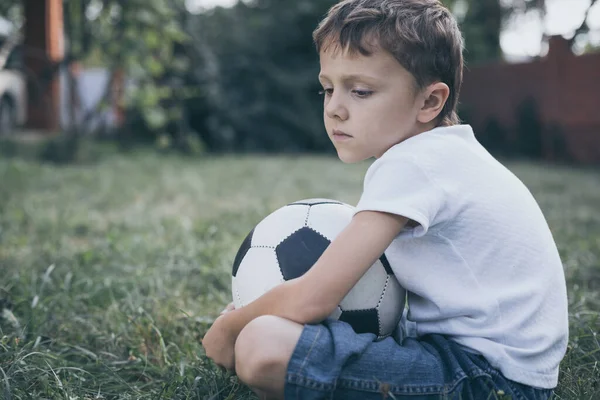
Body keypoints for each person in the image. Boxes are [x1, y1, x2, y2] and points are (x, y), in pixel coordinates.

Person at [201, 0, 569, 399]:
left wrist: (230, 328)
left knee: (263, 345)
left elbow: (313, 298)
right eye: (327, 89)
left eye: (360, 91)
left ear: (430, 102)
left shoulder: (414, 164)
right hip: (503, 370)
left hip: (488, 379)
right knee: (269, 328)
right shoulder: (446, 154)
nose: (335, 109)